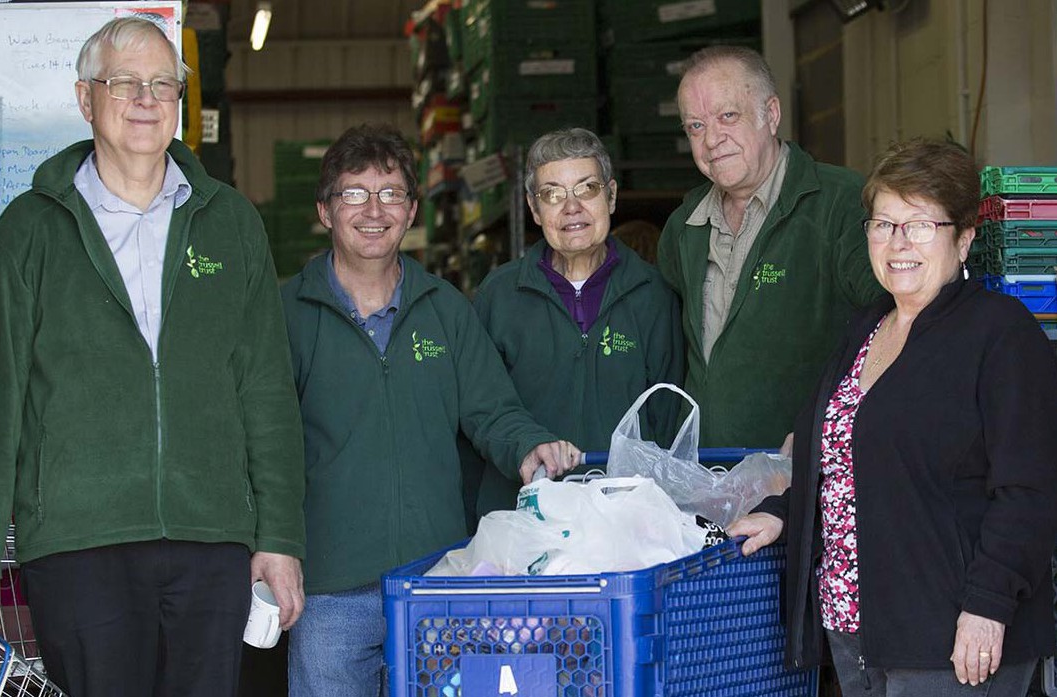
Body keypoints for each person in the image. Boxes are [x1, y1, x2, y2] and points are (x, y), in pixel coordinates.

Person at [0, 17, 305, 697]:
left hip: (212, 539)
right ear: (86, 99)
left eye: (163, 84)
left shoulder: (230, 222)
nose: (147, 99)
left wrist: (279, 536)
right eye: (125, 84)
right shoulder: (30, 230)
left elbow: (266, 392)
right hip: (80, 544)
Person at [729, 138, 1057, 697]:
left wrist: (988, 605)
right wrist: (786, 511)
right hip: (858, 627)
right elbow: (848, 456)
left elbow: (1030, 487)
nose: (898, 243)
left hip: (953, 636)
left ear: (965, 239)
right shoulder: (868, 327)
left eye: (921, 224)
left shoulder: (1001, 334)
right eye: (883, 223)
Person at [280, 123, 579, 697]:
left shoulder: (444, 308)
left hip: (437, 580)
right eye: (354, 194)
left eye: (390, 194)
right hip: (328, 586)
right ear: (325, 211)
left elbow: (492, 409)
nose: (374, 210)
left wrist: (528, 446)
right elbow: (264, 442)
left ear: (412, 210)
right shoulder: (287, 314)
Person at [657, 45, 883, 449]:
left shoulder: (842, 202)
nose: (711, 140)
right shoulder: (683, 227)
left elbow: (895, 324)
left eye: (728, 116)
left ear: (772, 114)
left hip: (805, 478)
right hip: (706, 475)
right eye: (695, 126)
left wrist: (831, 430)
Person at [469, 127, 685, 516]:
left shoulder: (653, 295)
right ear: (535, 210)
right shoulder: (498, 296)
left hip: (626, 522)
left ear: (611, 196)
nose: (572, 207)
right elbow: (480, 409)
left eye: (587, 189)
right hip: (522, 520)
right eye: (552, 194)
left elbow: (667, 424)